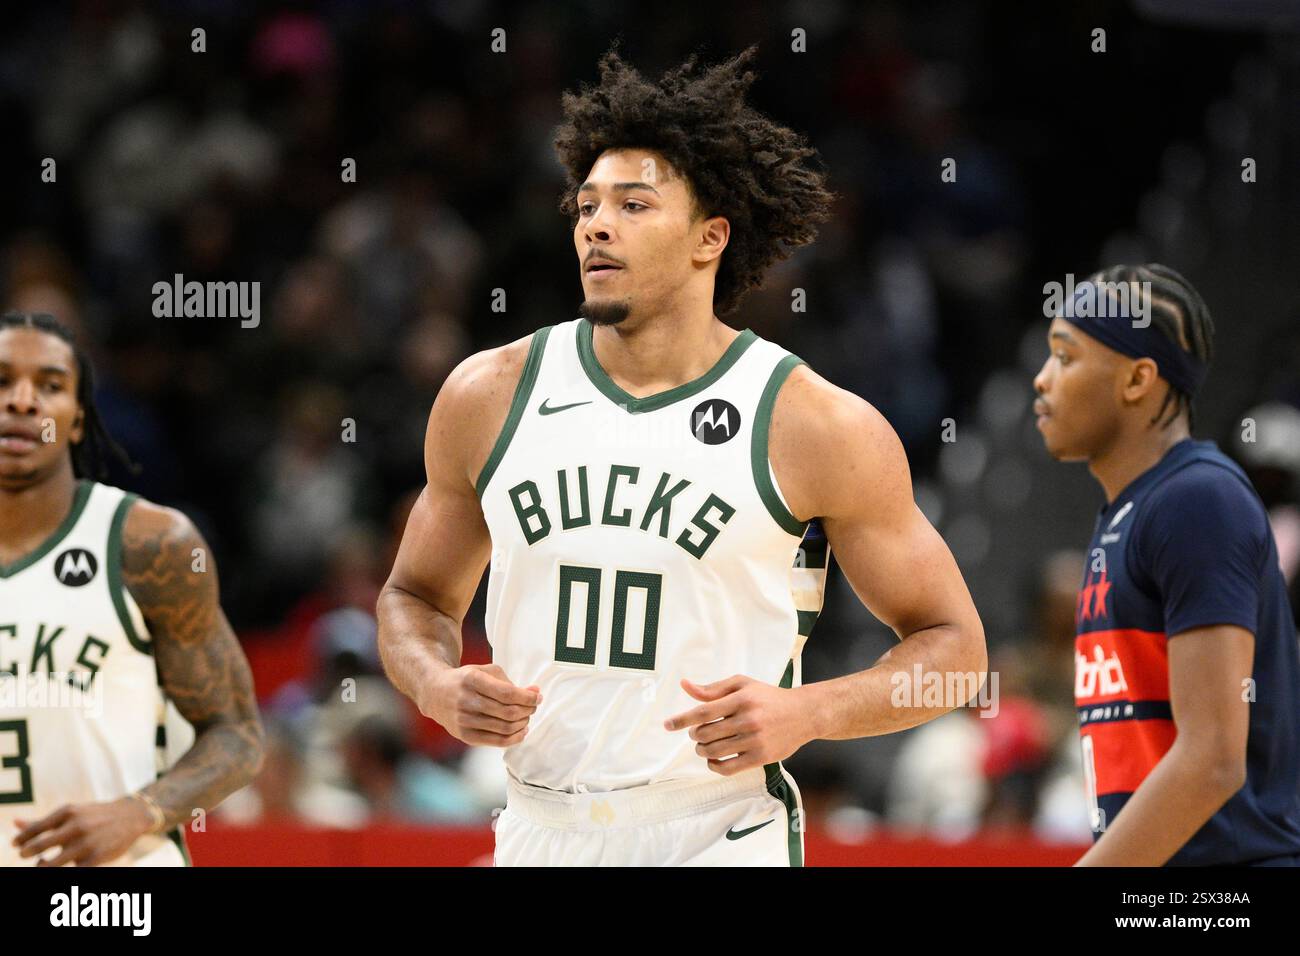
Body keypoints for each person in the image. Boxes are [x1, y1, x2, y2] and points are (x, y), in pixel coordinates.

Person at [377, 47, 985, 866]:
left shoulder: (813, 423)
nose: (596, 223)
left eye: (633, 204)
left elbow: (956, 654)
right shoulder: (489, 395)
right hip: (536, 823)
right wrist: (437, 686)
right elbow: (413, 598)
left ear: (710, 237)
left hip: (716, 826)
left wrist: (811, 712)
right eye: (587, 204)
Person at [1032, 264, 1300, 865]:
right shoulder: (1132, 509)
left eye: (1065, 357)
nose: (1041, 380)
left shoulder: (1197, 500)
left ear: (1137, 379)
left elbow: (1212, 760)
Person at [0, 311, 264, 866]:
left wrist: (138, 811)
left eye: (50, 385)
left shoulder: (149, 545)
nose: (22, 401)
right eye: (2, 381)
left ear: (76, 420)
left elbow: (237, 734)